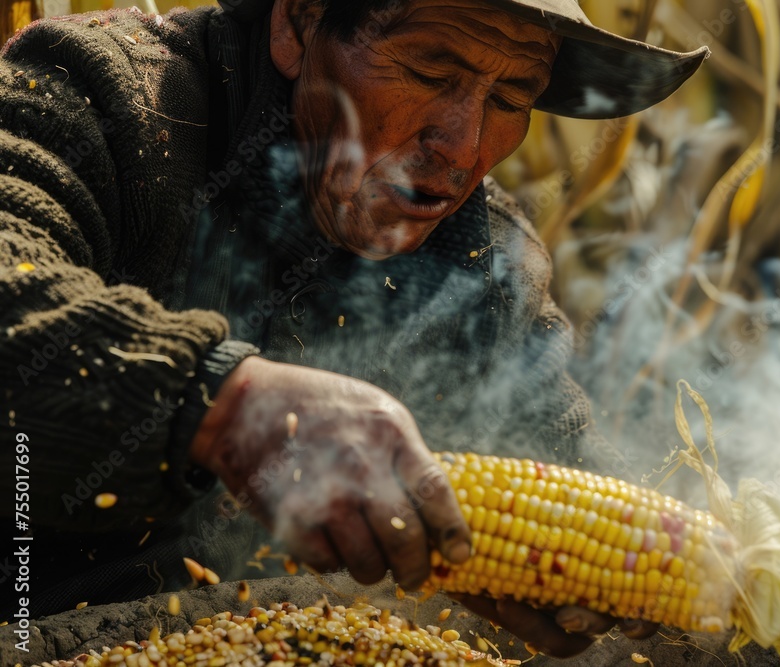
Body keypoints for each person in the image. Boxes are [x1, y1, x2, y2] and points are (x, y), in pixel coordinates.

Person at [0, 0, 706, 656]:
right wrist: (226, 404)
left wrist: (676, 560)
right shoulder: (98, 100)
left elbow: (564, 456)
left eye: (510, 99)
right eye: (430, 73)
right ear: (299, 25)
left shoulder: (485, 260)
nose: (461, 147)